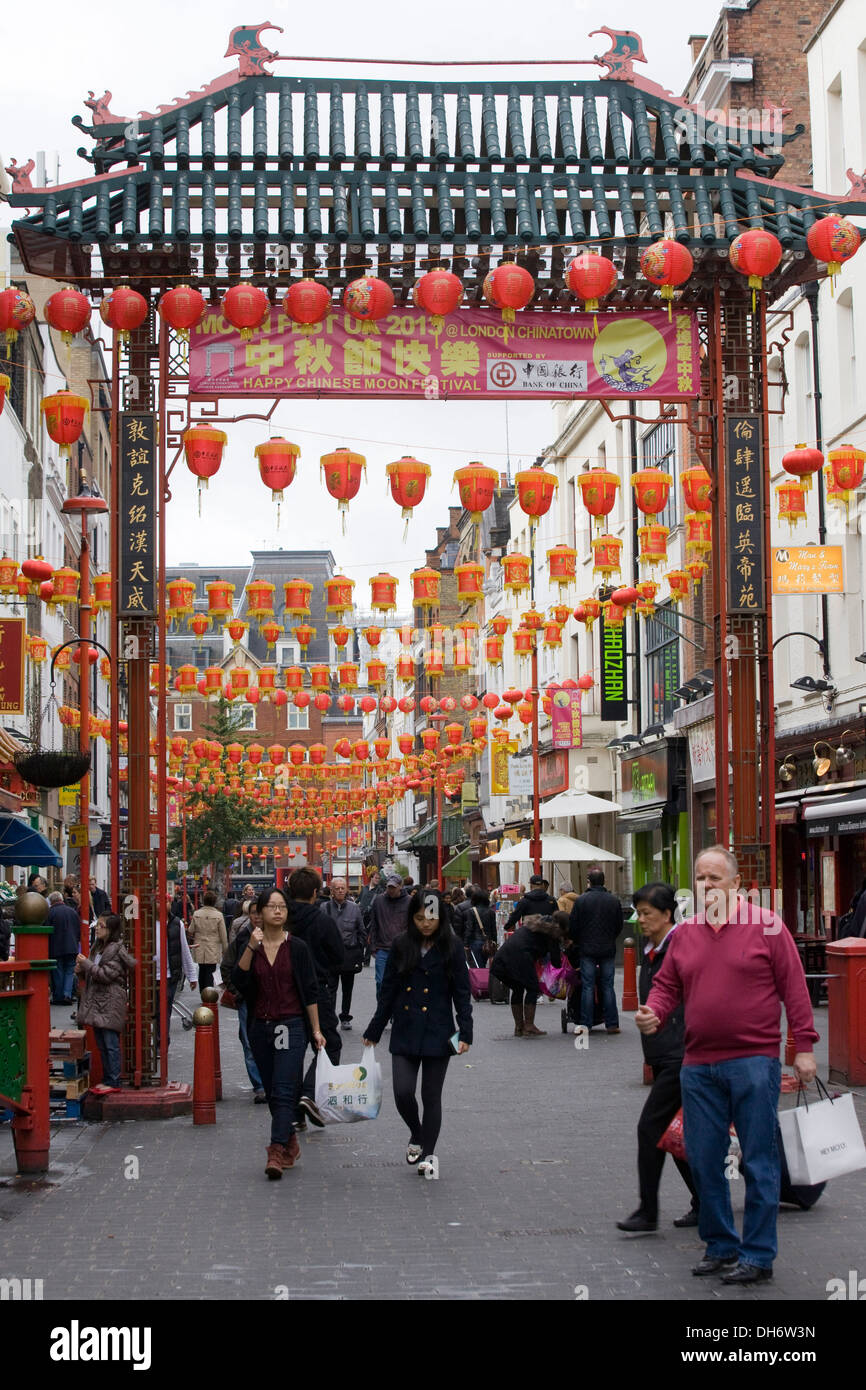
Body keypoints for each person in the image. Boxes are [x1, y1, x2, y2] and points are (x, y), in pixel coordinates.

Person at [636, 845, 818, 1285]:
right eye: (700, 878)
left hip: (754, 1062)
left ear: (737, 884)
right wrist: (654, 1012)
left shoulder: (768, 928)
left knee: (758, 1161)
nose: (706, 886)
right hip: (698, 1065)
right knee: (702, 1157)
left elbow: (795, 991)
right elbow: (666, 986)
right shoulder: (685, 934)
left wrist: (804, 1048)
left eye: (715, 878)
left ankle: (757, 1254)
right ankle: (719, 1245)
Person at [363, 889, 472, 1180]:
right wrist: (375, 1028)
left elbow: (462, 994)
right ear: (412, 917)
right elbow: (388, 991)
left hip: (439, 1030)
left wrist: (466, 1032)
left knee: (431, 1096)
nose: (426, 923)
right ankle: (416, 1132)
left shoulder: (452, 946)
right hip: (406, 1028)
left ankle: (428, 1154)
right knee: (402, 1092)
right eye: (420, 917)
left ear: (441, 918)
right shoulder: (401, 944)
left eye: (432, 918)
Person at [616, 883, 699, 1234]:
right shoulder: (652, 949)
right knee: (675, 1133)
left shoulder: (682, 947)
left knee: (651, 1127)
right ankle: (706, 1200)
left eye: (648, 914)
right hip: (667, 1054)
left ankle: (648, 1211)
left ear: (668, 914)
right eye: (639, 913)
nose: (641, 920)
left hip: (682, 1054)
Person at [232, 888, 326, 1179]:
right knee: (273, 1092)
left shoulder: (297, 947)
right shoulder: (249, 944)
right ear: (259, 913)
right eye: (271, 907)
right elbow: (239, 981)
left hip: (292, 1025)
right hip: (261, 1027)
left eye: (281, 907)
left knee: (285, 1088)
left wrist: (317, 1029)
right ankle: (290, 1140)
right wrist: (250, 945)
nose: (277, 911)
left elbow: (310, 991)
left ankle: (275, 1149)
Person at [284, 867, 344, 1129]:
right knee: (329, 1044)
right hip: (317, 991)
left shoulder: (281, 920)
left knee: (293, 1051)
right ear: (315, 893)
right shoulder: (322, 921)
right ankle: (310, 1092)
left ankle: (295, 1115)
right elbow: (338, 957)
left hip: (284, 992)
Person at [75, 914, 137, 1094]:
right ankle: (108, 1078)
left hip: (110, 1001)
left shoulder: (115, 950)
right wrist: (80, 970)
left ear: (110, 930)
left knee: (110, 1043)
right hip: (98, 1001)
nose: (97, 928)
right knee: (102, 1043)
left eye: (101, 926)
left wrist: (86, 964)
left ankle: (114, 1080)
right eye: (97, 925)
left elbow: (105, 975)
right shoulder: (98, 947)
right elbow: (92, 974)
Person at [568, 867, 625, 1035]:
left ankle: (585, 1023)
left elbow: (573, 926)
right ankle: (612, 1023)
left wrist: (578, 941)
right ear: (603, 881)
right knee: (608, 986)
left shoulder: (581, 901)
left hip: (587, 949)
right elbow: (618, 925)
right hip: (607, 948)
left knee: (587, 986)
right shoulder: (613, 901)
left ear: (589, 882)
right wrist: (610, 937)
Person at [491, 913, 566, 1036]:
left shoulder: (531, 926)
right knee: (533, 989)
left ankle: (519, 1027)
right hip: (520, 958)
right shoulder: (551, 933)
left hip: (501, 959)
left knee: (517, 988)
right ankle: (529, 1026)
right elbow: (556, 961)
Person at [221, 903, 267, 1102]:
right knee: (249, 1042)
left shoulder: (275, 936)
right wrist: (237, 992)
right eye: (253, 913)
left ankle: (270, 1081)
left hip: (269, 998)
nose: (256, 917)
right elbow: (227, 966)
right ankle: (259, 1085)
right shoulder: (242, 937)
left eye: (259, 913)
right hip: (247, 999)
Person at [324, 876, 367, 1030]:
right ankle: (330, 1018)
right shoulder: (324, 908)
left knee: (347, 988)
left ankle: (345, 1016)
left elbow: (362, 931)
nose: (341, 890)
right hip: (330, 956)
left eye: (343, 888)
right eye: (337, 888)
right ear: (332, 890)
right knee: (331, 989)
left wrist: (359, 948)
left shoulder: (354, 908)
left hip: (349, 954)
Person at [369, 873, 410, 1000]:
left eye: (393, 887)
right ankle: (382, 1010)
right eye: (389, 887)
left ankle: (395, 1012)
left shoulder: (409, 901)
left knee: (400, 982)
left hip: (402, 949)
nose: (390, 890)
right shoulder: (379, 901)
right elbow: (374, 924)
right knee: (381, 982)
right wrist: (373, 947)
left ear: (400, 887)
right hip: (382, 948)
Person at [188, 890, 228, 997]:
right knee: (211, 971)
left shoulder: (197, 913)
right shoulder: (218, 915)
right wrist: (225, 949)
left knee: (202, 970)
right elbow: (223, 935)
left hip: (199, 946)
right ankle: (209, 994)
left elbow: (191, 930)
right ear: (214, 902)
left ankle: (202, 992)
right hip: (213, 946)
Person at [47, 890, 81, 1003]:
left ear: (51, 901)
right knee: (70, 971)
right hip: (72, 947)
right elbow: (78, 930)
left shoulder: (50, 913)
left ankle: (59, 996)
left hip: (56, 948)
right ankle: (67, 994)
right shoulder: (72, 912)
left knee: (58, 971)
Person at [460, 887, 497, 964]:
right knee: (484, 962)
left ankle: (481, 976)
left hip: (475, 941)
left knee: (478, 965)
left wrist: (466, 944)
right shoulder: (491, 912)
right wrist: (494, 942)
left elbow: (469, 929)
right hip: (488, 942)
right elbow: (493, 929)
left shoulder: (471, 911)